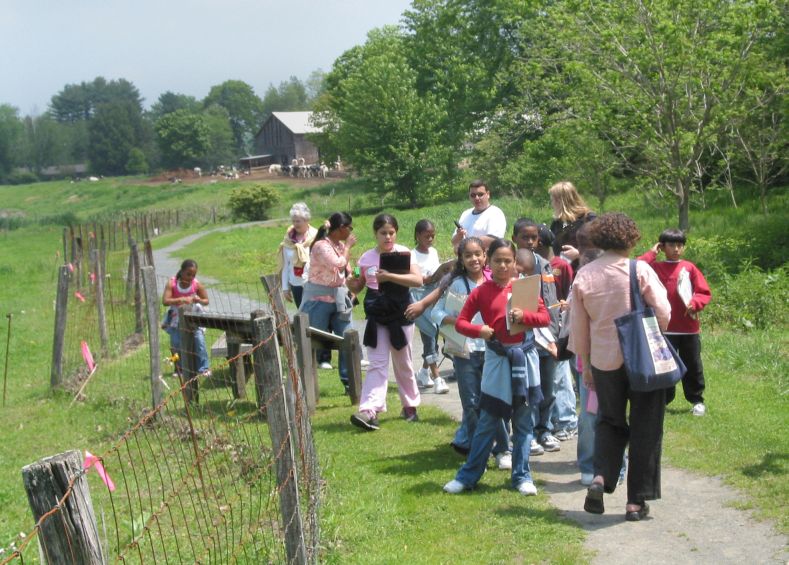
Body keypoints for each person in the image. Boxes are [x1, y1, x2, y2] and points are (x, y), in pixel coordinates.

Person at [569, 213, 670, 521]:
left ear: (599, 239)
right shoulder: (640, 269)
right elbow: (664, 311)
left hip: (602, 361)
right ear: (631, 239)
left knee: (609, 422)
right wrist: (657, 336)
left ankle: (600, 477)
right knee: (646, 427)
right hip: (643, 361)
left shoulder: (584, 276)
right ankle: (635, 503)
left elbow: (578, 328)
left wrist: (585, 365)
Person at [443, 239, 550, 496]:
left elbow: (545, 318)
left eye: (508, 261)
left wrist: (526, 317)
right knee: (488, 420)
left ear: (515, 263)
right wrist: (480, 331)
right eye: (498, 260)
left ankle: (522, 476)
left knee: (524, 421)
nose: (503, 265)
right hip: (496, 359)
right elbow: (461, 323)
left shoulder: (524, 288)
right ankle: (469, 476)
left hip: (524, 359)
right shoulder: (481, 292)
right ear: (489, 262)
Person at [431, 237, 510, 463]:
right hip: (465, 352)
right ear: (461, 260)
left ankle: (503, 449)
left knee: (497, 400)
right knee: (472, 403)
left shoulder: (495, 280)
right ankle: (479, 453)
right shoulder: (456, 284)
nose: (474, 259)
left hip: (494, 350)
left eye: (478, 254)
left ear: (485, 256)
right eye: (468, 255)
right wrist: (453, 320)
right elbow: (436, 313)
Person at [349, 214, 423, 431]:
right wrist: (350, 278)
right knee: (377, 363)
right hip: (376, 314)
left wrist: (389, 276)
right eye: (383, 233)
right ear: (376, 234)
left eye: (391, 232)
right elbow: (357, 285)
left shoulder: (405, 253)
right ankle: (370, 410)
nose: (388, 237)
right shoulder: (365, 258)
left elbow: (417, 280)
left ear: (396, 233)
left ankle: (410, 405)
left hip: (401, 312)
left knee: (403, 363)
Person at [638, 229, 712, 416]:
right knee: (665, 366)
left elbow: (703, 292)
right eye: (671, 245)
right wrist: (652, 253)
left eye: (680, 245)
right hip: (664, 328)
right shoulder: (655, 267)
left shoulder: (689, 268)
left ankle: (696, 400)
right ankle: (663, 400)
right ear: (663, 247)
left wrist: (695, 304)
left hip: (688, 329)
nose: (676, 249)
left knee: (692, 364)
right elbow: (636, 267)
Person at [512, 219, 564, 455]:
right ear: (514, 238)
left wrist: (555, 332)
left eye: (534, 238)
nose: (531, 242)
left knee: (547, 387)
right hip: (523, 338)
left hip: (547, 335)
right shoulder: (509, 265)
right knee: (526, 388)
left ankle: (545, 428)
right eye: (525, 237)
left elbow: (551, 300)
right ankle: (527, 431)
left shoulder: (545, 265)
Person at [299, 212, 356, 391]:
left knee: (347, 338)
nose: (351, 232)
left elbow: (345, 269)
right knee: (310, 342)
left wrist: (350, 286)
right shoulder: (321, 246)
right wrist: (347, 247)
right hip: (318, 301)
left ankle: (350, 383)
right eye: (350, 228)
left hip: (339, 300)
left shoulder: (338, 245)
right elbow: (337, 263)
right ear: (341, 228)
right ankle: (302, 384)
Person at [410, 219, 449, 394]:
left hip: (435, 294)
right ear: (418, 236)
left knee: (434, 332)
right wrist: (429, 278)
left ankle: (424, 372)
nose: (431, 239)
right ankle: (437, 376)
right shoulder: (412, 255)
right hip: (418, 295)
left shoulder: (433, 252)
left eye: (433, 236)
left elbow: (436, 270)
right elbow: (416, 278)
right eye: (427, 236)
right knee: (429, 333)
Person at [161, 259, 210, 377]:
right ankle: (179, 369)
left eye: (193, 275)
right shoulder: (172, 283)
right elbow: (165, 301)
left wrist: (199, 300)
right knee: (176, 344)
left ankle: (204, 368)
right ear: (182, 271)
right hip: (176, 319)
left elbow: (206, 301)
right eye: (188, 274)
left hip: (193, 319)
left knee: (199, 341)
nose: (190, 277)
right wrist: (181, 299)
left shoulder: (196, 284)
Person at [276, 202, 318, 308]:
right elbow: (285, 266)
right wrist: (285, 288)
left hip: (314, 283)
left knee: (315, 316)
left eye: (298, 221)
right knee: (302, 315)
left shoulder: (316, 237)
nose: (295, 224)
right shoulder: (288, 240)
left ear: (306, 220)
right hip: (296, 284)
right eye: (293, 221)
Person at [548, 181, 596, 270]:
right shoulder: (557, 223)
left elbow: (603, 247)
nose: (552, 204)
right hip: (564, 273)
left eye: (553, 200)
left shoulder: (588, 219)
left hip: (587, 271)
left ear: (560, 201)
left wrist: (578, 253)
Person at [451, 180, 507, 251]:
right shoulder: (465, 214)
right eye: (473, 195)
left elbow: (493, 240)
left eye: (480, 194)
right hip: (466, 258)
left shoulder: (496, 213)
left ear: (488, 194)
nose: (477, 198)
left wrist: (466, 244)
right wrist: (459, 235)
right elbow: (454, 242)